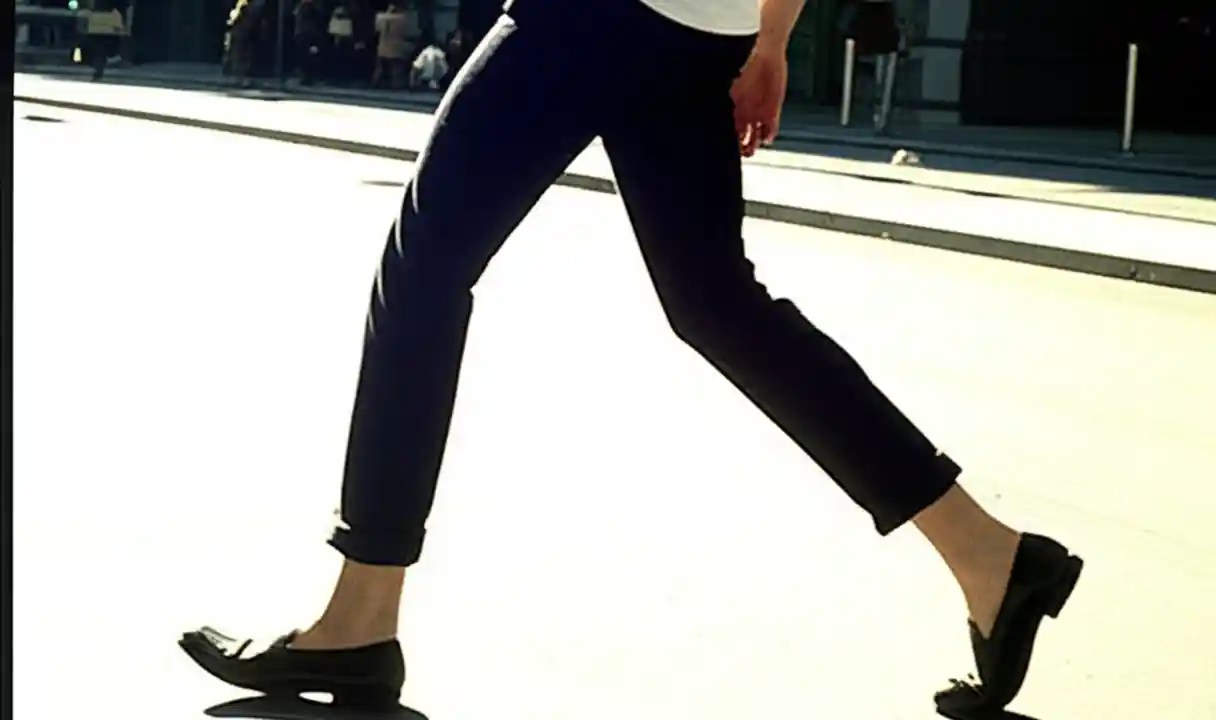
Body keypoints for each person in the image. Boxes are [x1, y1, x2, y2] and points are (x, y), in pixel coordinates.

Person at [179, 0, 1084, 715]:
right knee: (719, 305)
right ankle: (989, 557)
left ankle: (362, 613)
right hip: (706, 34)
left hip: (591, 18)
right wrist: (769, 39)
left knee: (424, 272)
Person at [372, 0, 416, 89]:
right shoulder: (403, 19)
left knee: (380, 68)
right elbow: (408, 33)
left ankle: (375, 84)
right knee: (396, 69)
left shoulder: (380, 18)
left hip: (383, 47)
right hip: (396, 48)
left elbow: (377, 31)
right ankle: (397, 85)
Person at [293, 0, 328, 85]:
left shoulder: (312, 8)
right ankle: (306, 76)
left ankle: (308, 77)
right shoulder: (303, 7)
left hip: (309, 35)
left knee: (309, 56)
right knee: (306, 56)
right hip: (304, 35)